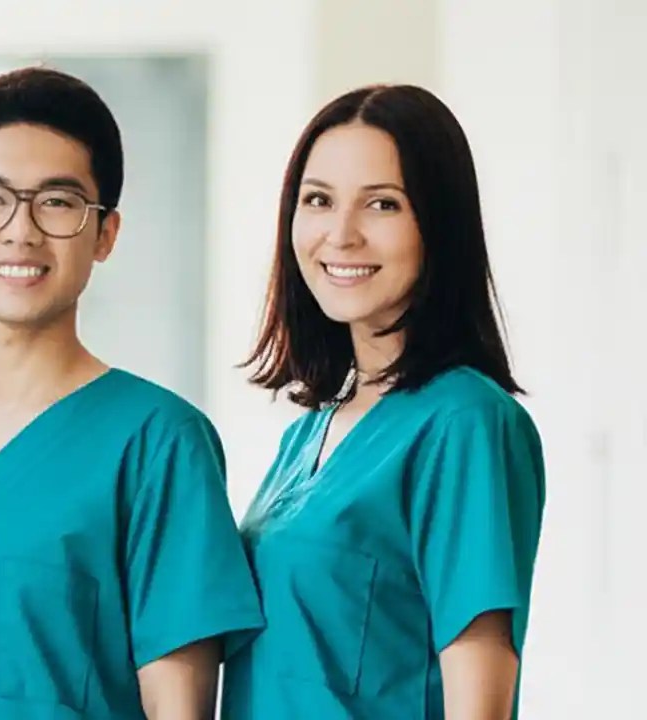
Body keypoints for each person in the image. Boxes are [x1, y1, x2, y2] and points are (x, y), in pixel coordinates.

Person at [0, 66, 264, 719]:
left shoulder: (158, 443)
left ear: (106, 234)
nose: (21, 231)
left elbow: (179, 708)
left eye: (57, 202)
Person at [222, 84, 546, 719]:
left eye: (382, 205)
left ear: (439, 225)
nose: (341, 234)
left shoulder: (466, 423)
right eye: (318, 200)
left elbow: (479, 681)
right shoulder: (309, 434)